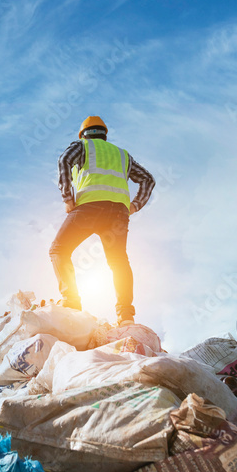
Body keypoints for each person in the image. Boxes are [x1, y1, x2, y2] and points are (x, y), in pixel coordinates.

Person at [49, 116, 155, 326]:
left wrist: (68, 198)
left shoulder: (82, 146)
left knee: (59, 250)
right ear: (105, 134)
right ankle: (126, 316)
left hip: (89, 208)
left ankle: (71, 302)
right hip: (118, 214)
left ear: (83, 134)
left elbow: (64, 161)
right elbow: (148, 179)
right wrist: (135, 205)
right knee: (118, 262)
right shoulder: (123, 156)